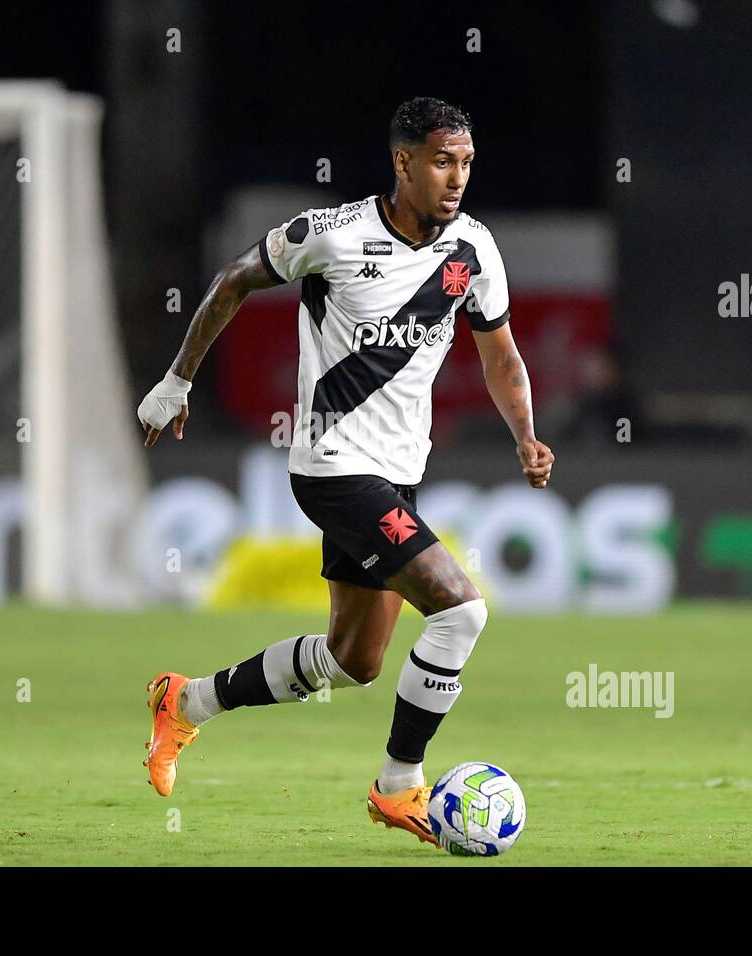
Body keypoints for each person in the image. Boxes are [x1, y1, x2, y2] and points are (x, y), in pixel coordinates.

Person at [135, 97, 554, 846]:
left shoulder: (473, 251)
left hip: (398, 472)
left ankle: (186, 703)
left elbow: (501, 354)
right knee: (462, 611)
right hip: (333, 466)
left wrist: (525, 434)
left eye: (464, 162)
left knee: (354, 659)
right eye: (440, 161)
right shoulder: (333, 235)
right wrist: (177, 382)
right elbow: (233, 279)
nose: (456, 177)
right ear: (403, 163)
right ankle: (400, 785)